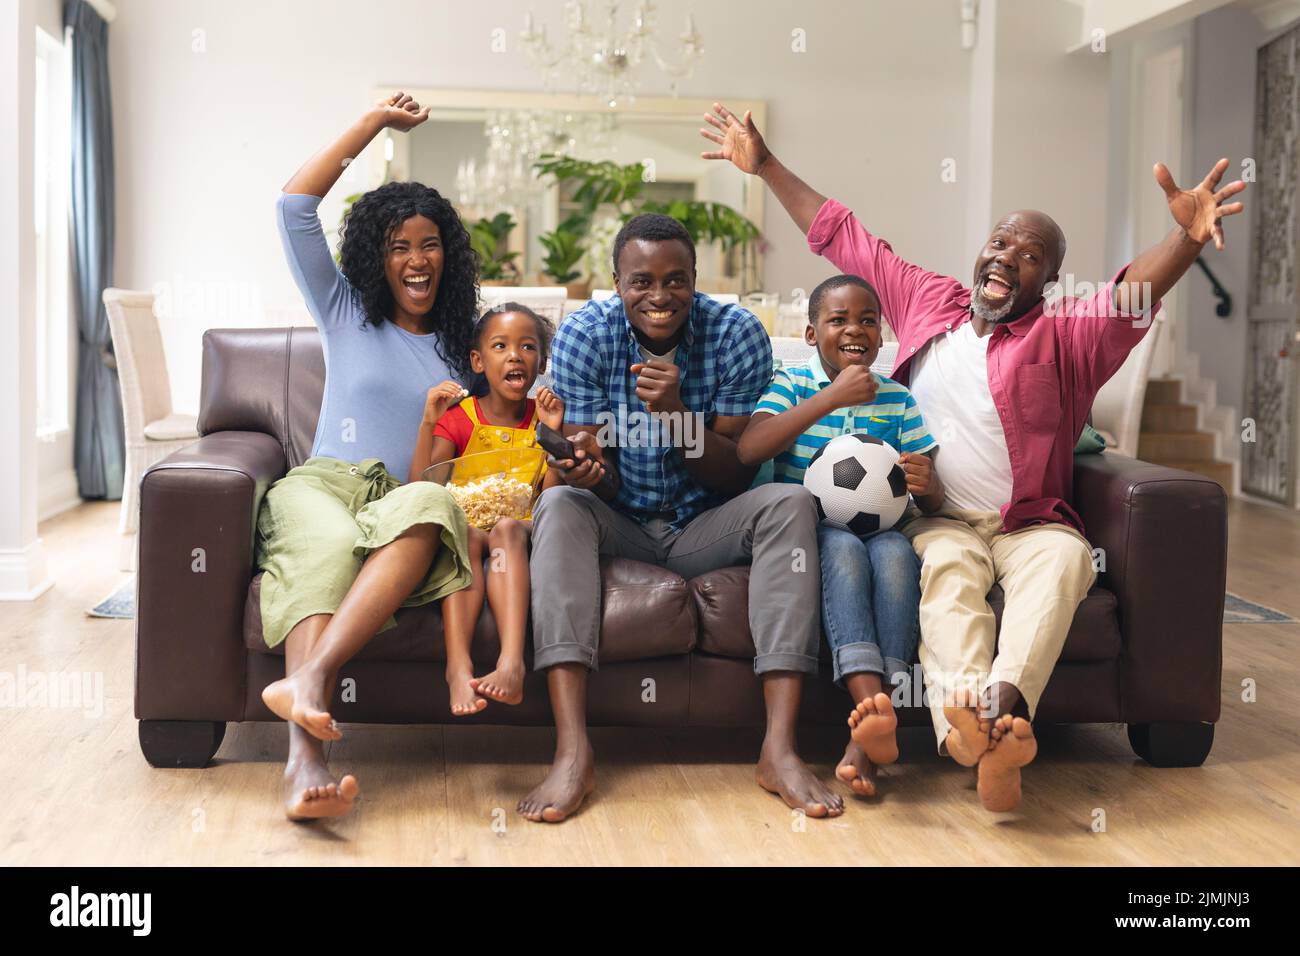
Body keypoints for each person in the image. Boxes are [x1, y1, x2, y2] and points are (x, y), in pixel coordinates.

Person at [702, 100, 1247, 811]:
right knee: (949, 575)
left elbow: (1128, 298)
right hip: (938, 520)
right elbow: (846, 238)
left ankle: (995, 714)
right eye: (1000, 243)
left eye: (1030, 257)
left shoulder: (1067, 338)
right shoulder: (929, 300)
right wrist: (767, 166)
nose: (1007, 258)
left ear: (1048, 282)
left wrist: (1185, 241)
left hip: (1029, 524)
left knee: (1070, 560)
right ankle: (982, 732)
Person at [522, 213, 843, 823]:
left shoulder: (734, 334)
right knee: (561, 501)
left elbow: (732, 474)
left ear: (696, 280)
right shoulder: (587, 335)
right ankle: (572, 751)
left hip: (705, 523)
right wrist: (589, 469)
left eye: (676, 280)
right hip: (617, 520)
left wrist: (674, 412)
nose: (659, 296)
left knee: (791, 503)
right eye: (641, 281)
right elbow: (597, 465)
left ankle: (779, 748)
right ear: (616, 283)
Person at [257, 92, 477, 821]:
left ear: (449, 252)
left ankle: (310, 678)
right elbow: (294, 206)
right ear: (376, 258)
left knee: (435, 503)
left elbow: (449, 470)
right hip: (325, 484)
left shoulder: (467, 349)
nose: (416, 260)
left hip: (399, 495)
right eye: (397, 246)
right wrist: (372, 124)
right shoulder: (346, 310)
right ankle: (305, 763)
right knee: (324, 545)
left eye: (428, 243)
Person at [737, 273, 942, 797]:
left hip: (885, 531)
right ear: (811, 334)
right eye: (838, 320)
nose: (855, 330)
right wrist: (832, 397)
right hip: (811, 530)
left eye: (868, 321)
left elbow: (929, 496)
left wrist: (929, 485)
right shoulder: (791, 383)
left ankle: (870, 733)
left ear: (882, 334)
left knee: (898, 556)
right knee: (845, 549)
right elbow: (752, 445)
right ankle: (870, 707)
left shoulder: (896, 398)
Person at [408, 304, 565, 715]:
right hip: (468, 534)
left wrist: (552, 436)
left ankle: (511, 662)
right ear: (478, 360)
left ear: (541, 362)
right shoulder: (459, 419)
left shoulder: (542, 418)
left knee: (507, 529)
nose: (515, 355)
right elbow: (422, 489)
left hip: (523, 530)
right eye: (500, 346)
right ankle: (458, 668)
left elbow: (552, 500)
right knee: (471, 536)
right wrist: (428, 423)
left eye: (527, 347)